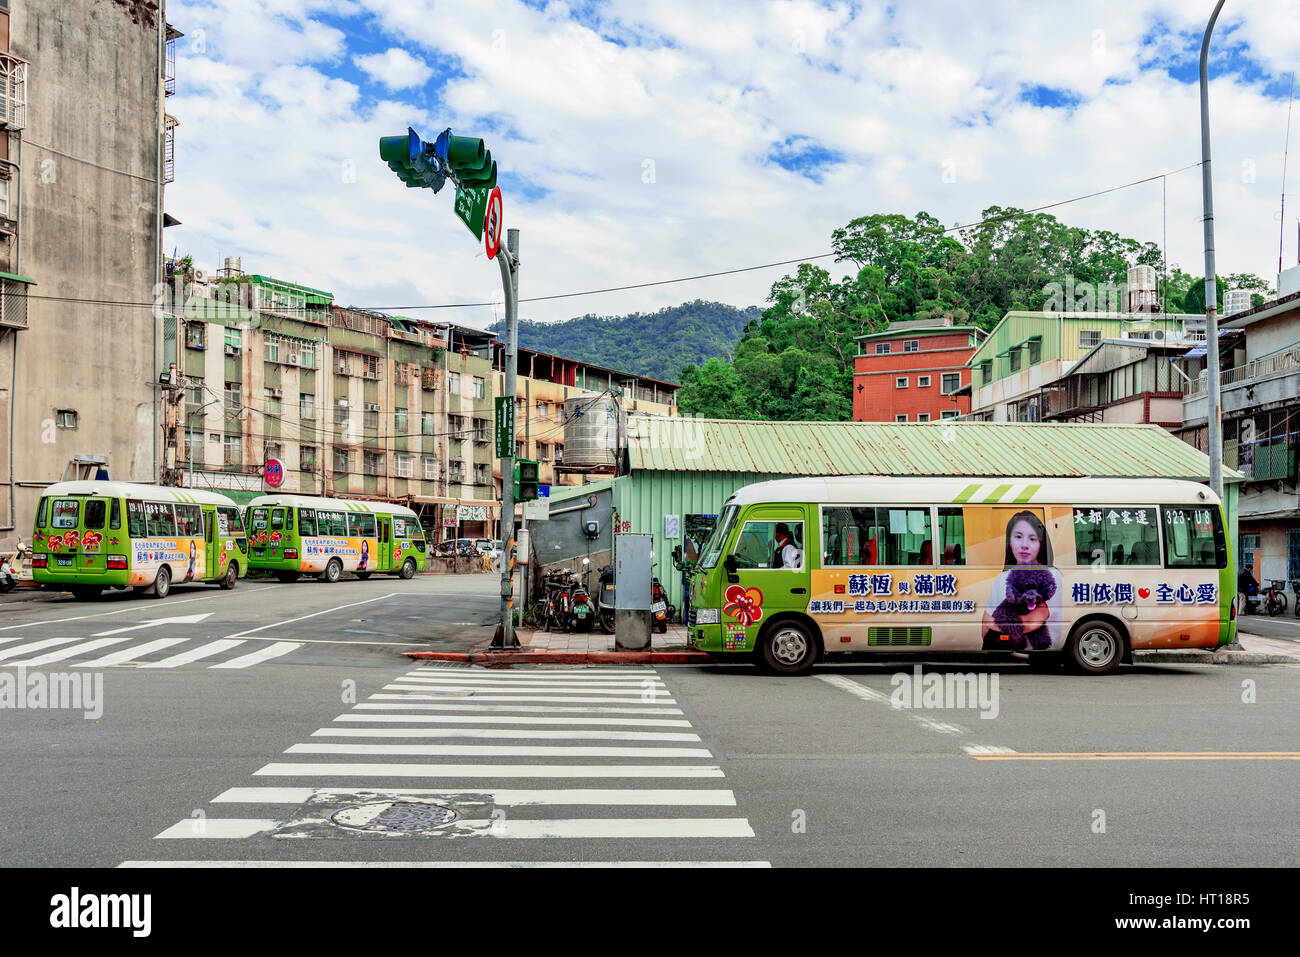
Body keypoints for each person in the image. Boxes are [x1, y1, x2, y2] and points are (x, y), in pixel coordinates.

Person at [981, 511, 1063, 651]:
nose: (1024, 545)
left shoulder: (1051, 574)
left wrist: (998, 626)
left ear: (1041, 544)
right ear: (1010, 542)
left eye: (1032, 539)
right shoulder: (1002, 578)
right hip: (1004, 654)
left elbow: (1032, 622)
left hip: (1040, 657)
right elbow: (985, 628)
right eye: (1018, 537)